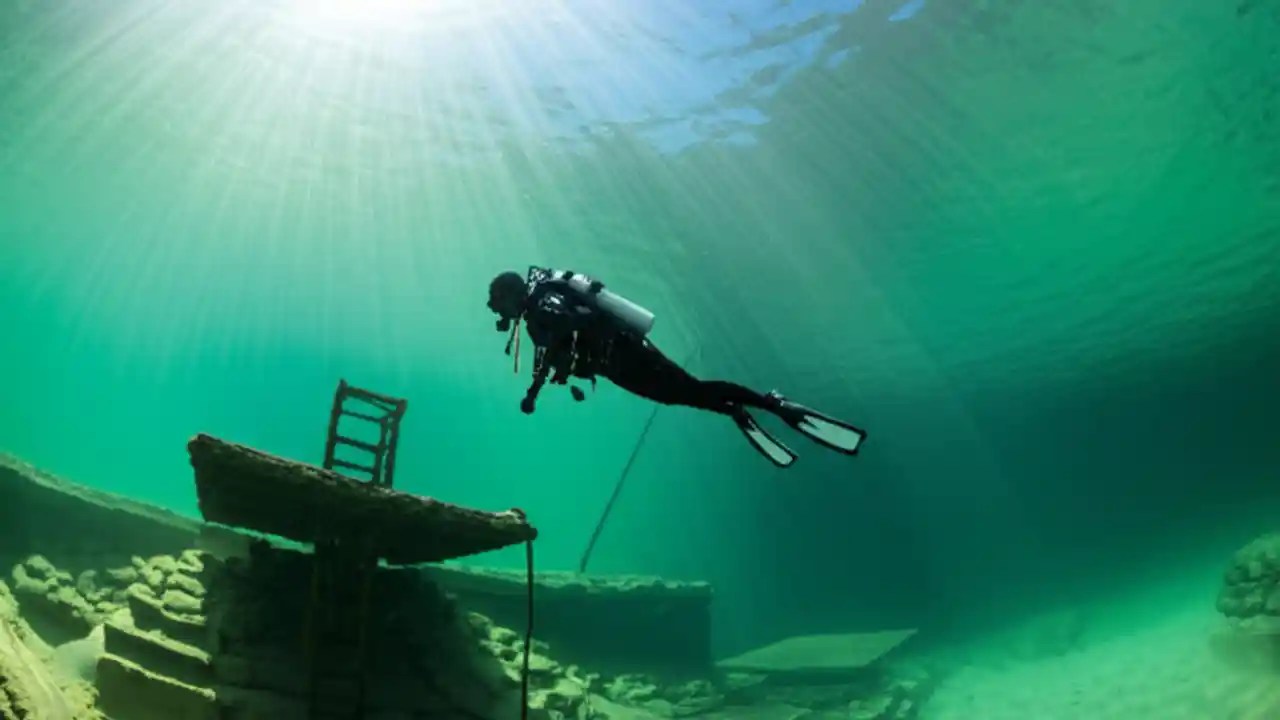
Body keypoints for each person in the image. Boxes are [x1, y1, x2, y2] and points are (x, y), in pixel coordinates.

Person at [485, 266, 867, 467]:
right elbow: (561, 340)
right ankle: (733, 407)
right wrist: (539, 383)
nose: (497, 310)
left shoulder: (540, 306)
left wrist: (536, 388)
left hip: (623, 354)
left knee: (689, 389)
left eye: (496, 301)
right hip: (618, 362)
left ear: (511, 294)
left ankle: (771, 403)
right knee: (680, 395)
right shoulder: (538, 308)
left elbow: (570, 324)